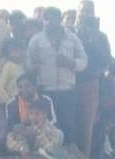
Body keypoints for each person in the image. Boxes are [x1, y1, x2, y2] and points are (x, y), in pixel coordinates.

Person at [26, 6, 86, 145]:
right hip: (46, 91)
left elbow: (84, 61)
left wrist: (70, 63)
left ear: (59, 20)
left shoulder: (72, 38)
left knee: (68, 127)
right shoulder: (36, 40)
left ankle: (68, 157)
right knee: (47, 127)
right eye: (46, 19)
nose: (49, 22)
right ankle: (48, 157)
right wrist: (33, 66)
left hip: (67, 90)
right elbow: (28, 63)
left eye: (52, 19)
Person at [74, 0, 109, 156]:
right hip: (69, 83)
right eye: (82, 10)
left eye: (89, 10)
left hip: (89, 83)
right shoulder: (69, 33)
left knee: (86, 127)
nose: (85, 13)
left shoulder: (101, 37)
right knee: (69, 123)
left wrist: (93, 39)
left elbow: (106, 61)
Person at [0, 39, 24, 105]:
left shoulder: (23, 66)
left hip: (22, 102)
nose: (13, 54)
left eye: (16, 50)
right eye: (10, 52)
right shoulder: (8, 66)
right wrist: (9, 101)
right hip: (11, 102)